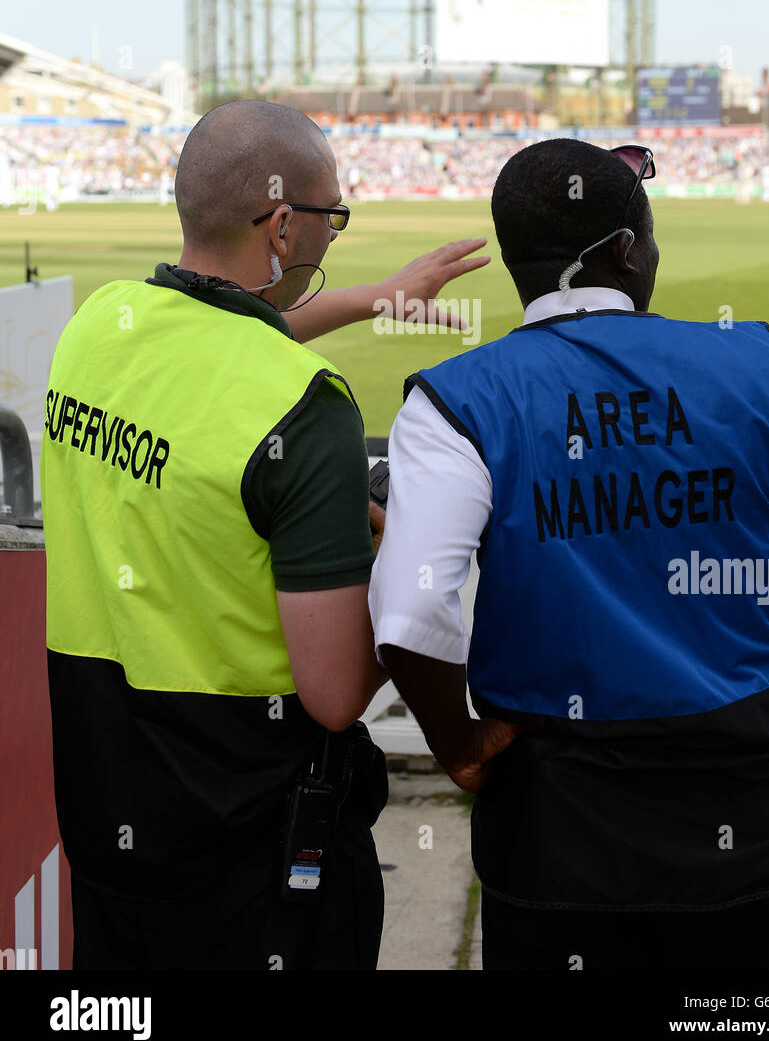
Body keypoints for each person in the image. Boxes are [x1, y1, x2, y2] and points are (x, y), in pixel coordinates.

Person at [369, 137, 769, 971]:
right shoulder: (765, 362)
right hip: (746, 801)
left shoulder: (454, 403)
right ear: (626, 252)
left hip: (560, 821)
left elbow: (412, 614)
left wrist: (457, 746)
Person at [41, 99, 488, 970]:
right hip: (255, 851)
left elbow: (216, 348)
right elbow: (332, 694)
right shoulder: (306, 406)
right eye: (330, 218)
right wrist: (404, 548)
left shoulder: (101, 325)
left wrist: (369, 301)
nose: (332, 240)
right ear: (282, 226)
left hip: (108, 821)